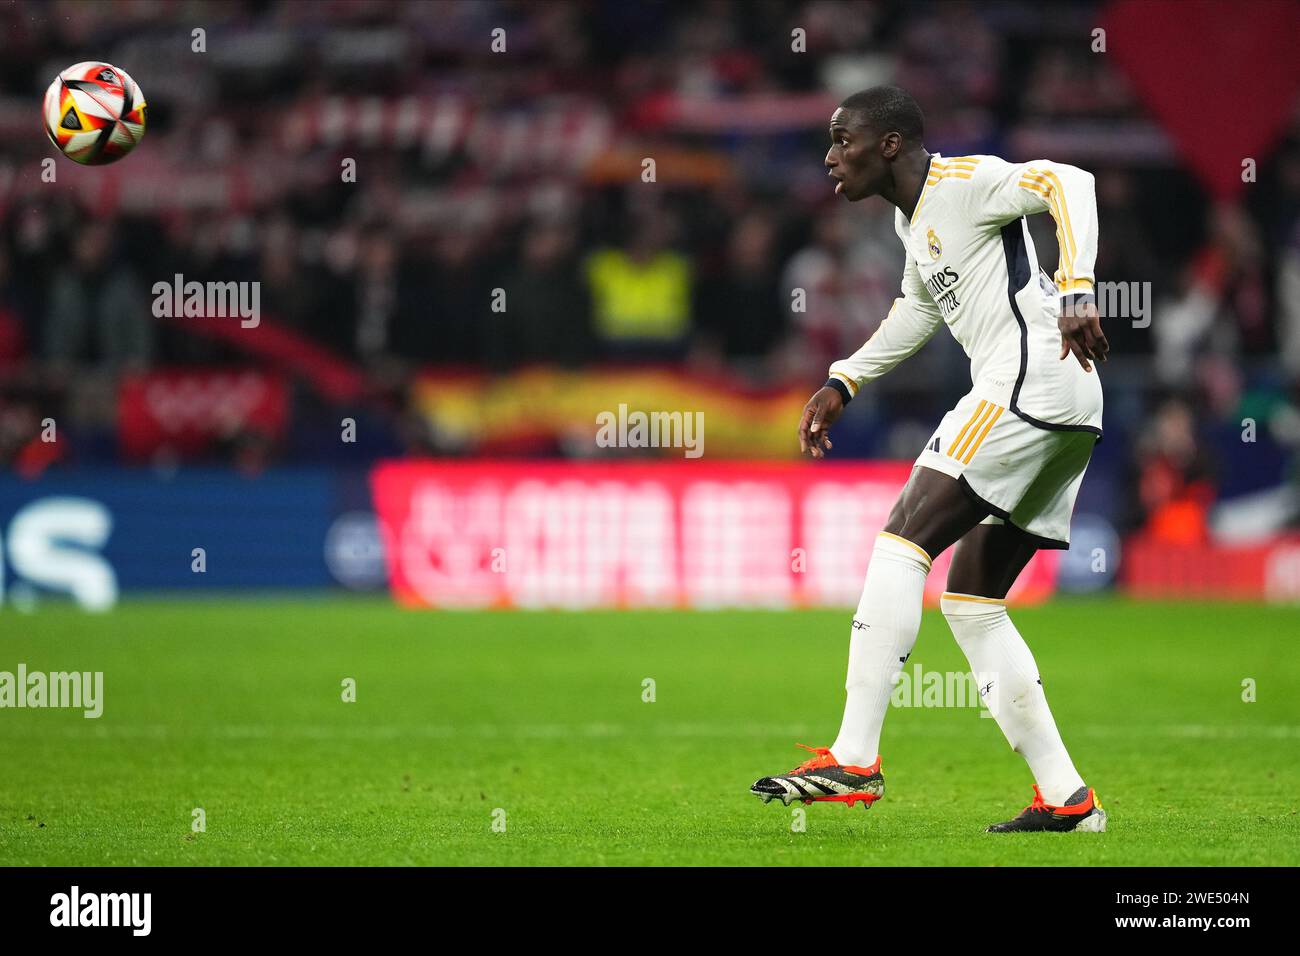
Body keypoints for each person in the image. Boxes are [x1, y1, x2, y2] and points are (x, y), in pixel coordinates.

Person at [749, 86, 1109, 833]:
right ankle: (1066, 798)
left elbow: (1070, 182)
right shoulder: (912, 221)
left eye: (842, 138)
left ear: (887, 144)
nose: (829, 155)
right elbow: (916, 309)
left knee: (902, 537)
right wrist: (845, 379)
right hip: (1068, 402)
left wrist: (1077, 287)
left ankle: (855, 756)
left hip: (1027, 377)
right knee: (971, 598)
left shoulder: (961, 183)